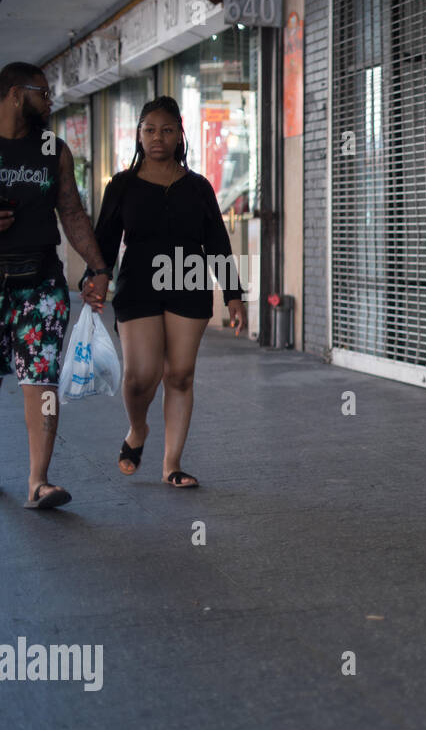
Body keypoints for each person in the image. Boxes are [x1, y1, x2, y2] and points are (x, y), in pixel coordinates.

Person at [85, 95, 247, 489]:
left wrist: (233, 295)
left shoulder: (198, 187)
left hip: (188, 281)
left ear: (180, 136)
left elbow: (217, 242)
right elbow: (104, 241)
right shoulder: (122, 186)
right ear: (139, 135)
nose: (158, 137)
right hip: (138, 283)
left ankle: (171, 465)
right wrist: (96, 278)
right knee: (141, 376)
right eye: (150, 130)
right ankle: (137, 430)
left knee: (180, 374)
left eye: (167, 130)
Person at [0, 62, 111, 509]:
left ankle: (38, 482)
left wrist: (98, 266)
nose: (50, 101)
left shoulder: (52, 149)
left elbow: (72, 212)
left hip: (40, 283)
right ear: (13, 94)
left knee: (41, 380)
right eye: (42, 93)